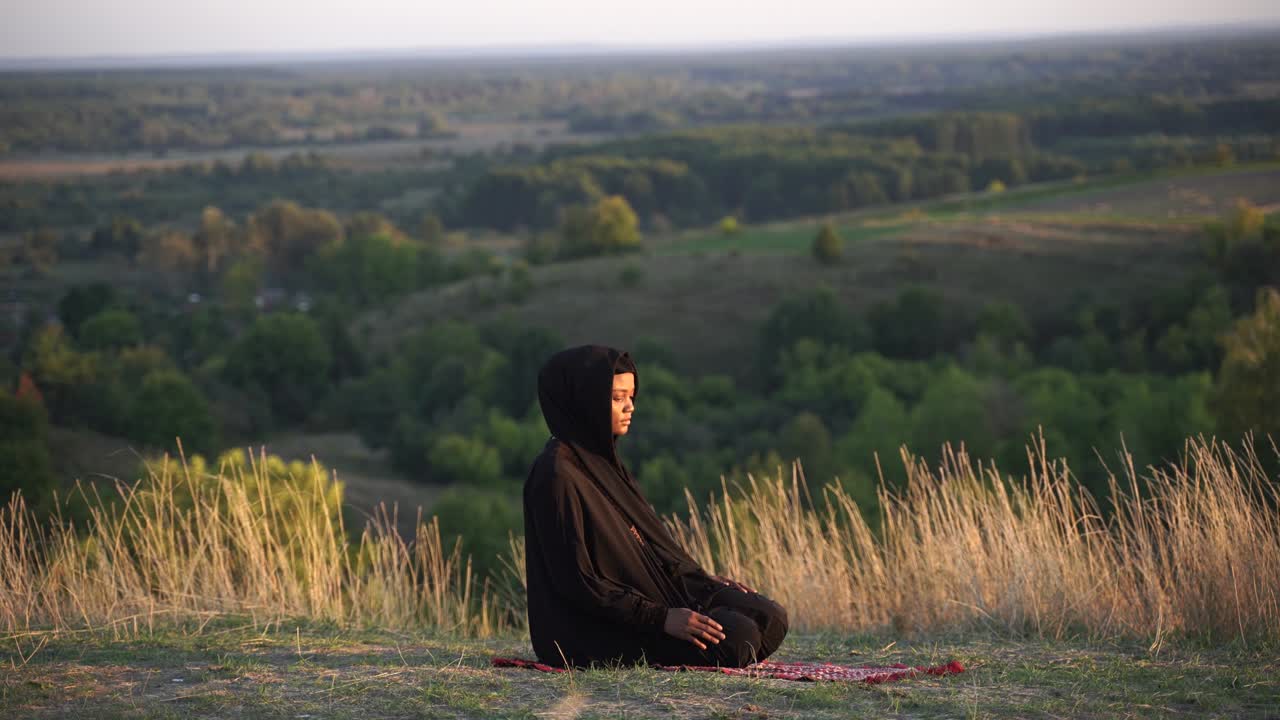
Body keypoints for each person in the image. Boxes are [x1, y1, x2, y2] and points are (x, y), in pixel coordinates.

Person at [523, 344, 788, 669]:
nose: (629, 407)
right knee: (738, 636)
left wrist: (705, 583)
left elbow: (646, 549)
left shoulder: (604, 463)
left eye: (631, 396)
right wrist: (661, 618)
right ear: (583, 401)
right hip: (589, 632)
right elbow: (577, 583)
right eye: (617, 398)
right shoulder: (557, 475)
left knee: (768, 616)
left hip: (651, 604)